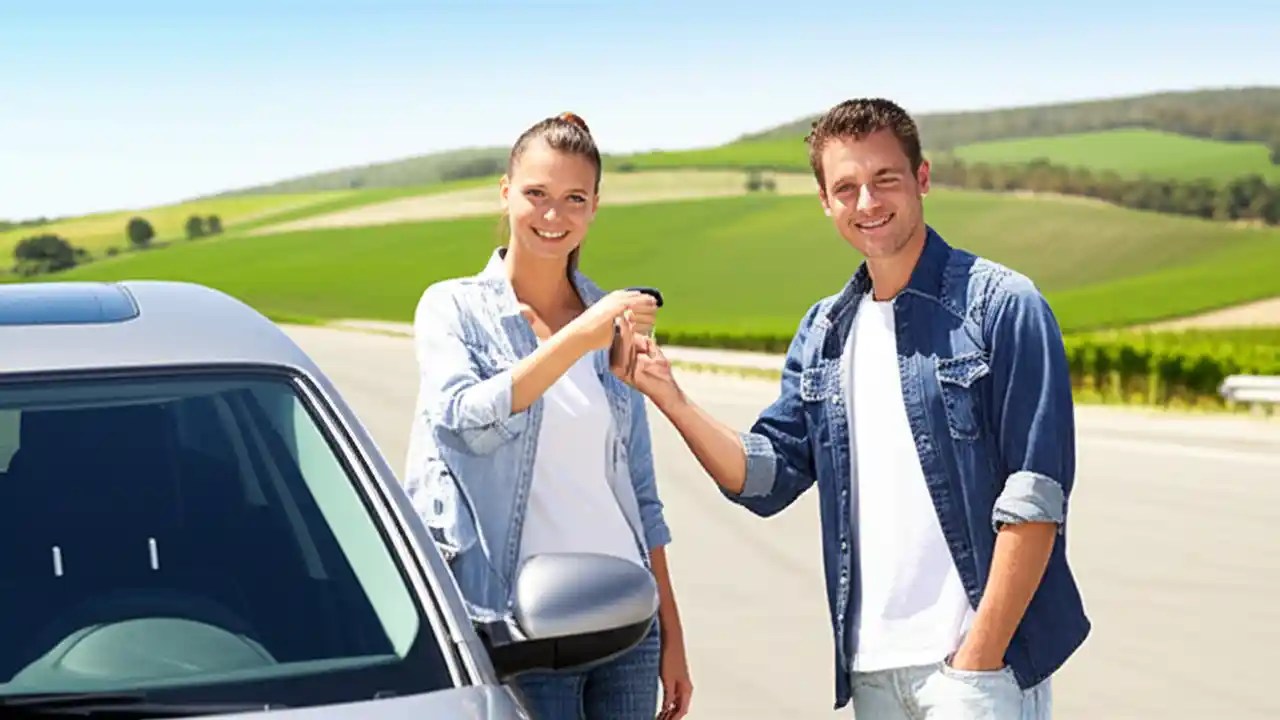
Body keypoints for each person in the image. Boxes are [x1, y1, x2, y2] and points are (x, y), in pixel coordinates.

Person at [613, 98, 1089, 719]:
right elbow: (764, 477)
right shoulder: (825, 333)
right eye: (846, 187)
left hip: (978, 673)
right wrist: (669, 396)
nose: (866, 202)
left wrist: (979, 657)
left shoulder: (1002, 307)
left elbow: (1036, 496)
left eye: (884, 178)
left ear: (921, 178)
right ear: (825, 201)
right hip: (872, 672)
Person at [401, 112, 693, 719]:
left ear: (593, 209)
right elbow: (462, 420)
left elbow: (641, 493)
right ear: (506, 193)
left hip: (627, 626)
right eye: (536, 194)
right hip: (515, 629)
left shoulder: (610, 320)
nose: (553, 216)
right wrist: (577, 339)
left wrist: (671, 632)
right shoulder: (451, 308)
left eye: (573, 199)